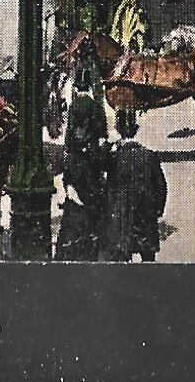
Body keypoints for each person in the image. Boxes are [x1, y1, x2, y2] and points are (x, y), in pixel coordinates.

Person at [100, 109, 168, 262]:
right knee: (148, 259)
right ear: (137, 129)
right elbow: (161, 186)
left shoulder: (115, 158)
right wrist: (158, 210)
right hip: (145, 216)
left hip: (122, 219)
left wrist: (108, 144)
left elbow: (99, 165)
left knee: (122, 260)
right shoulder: (149, 156)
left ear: (118, 130)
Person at [58, 70, 111, 261]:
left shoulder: (74, 107)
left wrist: (68, 155)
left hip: (75, 160)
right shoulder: (95, 106)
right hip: (91, 158)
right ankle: (94, 233)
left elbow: (69, 135)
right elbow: (102, 132)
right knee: (95, 195)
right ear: (89, 86)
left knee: (76, 196)